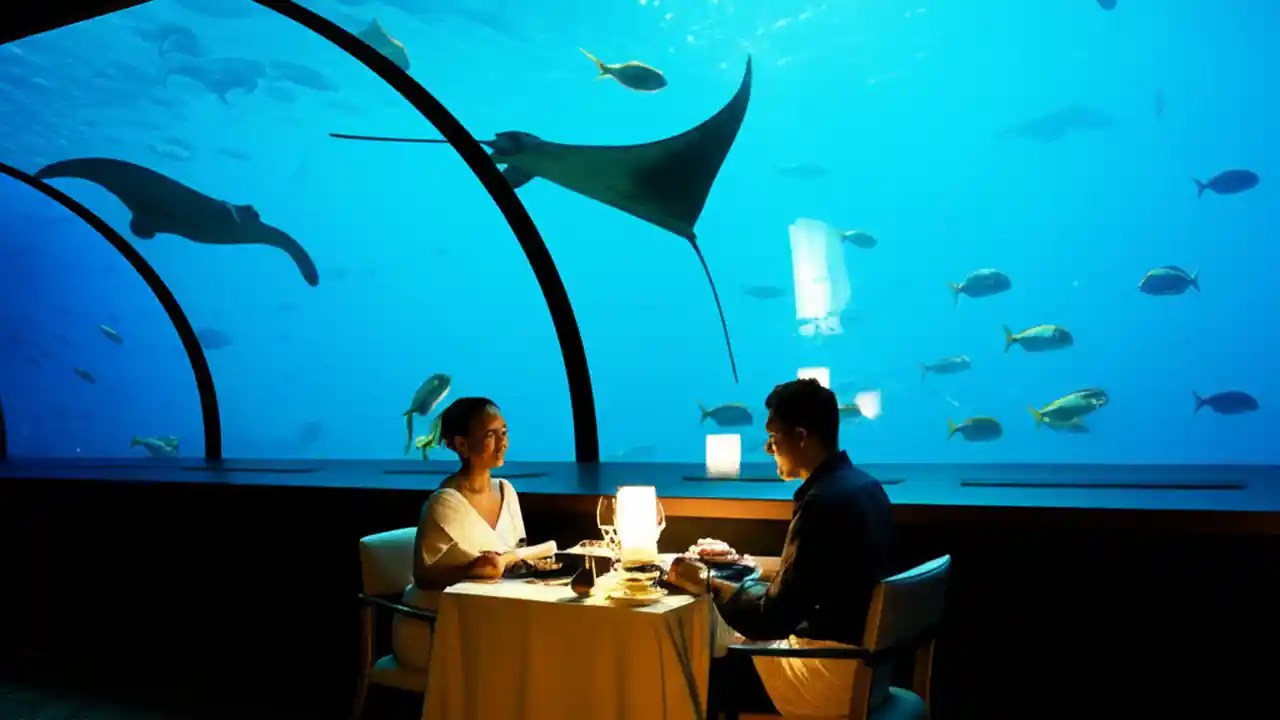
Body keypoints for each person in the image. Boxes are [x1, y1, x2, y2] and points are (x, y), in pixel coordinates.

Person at [665, 378, 894, 716]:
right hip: (873, 672)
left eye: (774, 438)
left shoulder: (821, 503)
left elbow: (770, 620)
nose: (768, 449)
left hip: (829, 674)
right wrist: (742, 565)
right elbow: (815, 579)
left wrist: (708, 582)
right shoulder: (864, 487)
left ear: (801, 436)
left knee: (694, 666)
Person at [391, 396, 527, 673]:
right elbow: (424, 576)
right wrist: (471, 570)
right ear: (462, 445)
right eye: (490, 434)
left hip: (488, 616)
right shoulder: (445, 502)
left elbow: (519, 551)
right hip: (433, 623)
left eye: (504, 432)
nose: (502, 443)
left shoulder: (507, 492)